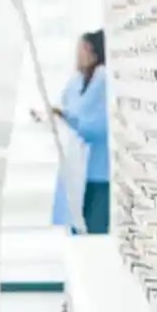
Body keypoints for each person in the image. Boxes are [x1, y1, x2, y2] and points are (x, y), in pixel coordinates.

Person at [46, 30, 110, 234]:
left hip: (100, 171)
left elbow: (97, 124)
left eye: (81, 48)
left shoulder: (104, 80)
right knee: (77, 226)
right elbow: (70, 108)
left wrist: (67, 117)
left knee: (95, 229)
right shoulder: (77, 81)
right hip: (78, 167)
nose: (77, 54)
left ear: (93, 51)